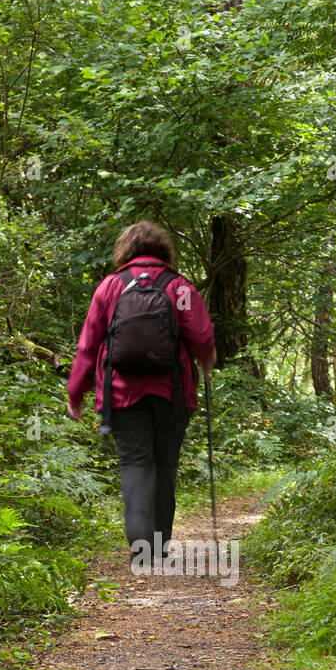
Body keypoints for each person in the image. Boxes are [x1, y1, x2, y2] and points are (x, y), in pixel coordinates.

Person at [66, 221, 215, 565]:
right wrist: (206, 361)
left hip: (121, 394)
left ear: (125, 251)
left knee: (135, 463)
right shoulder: (178, 286)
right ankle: (158, 546)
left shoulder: (110, 287)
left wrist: (77, 393)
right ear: (164, 251)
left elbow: (88, 346)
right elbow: (202, 338)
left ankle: (140, 543)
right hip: (172, 393)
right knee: (164, 465)